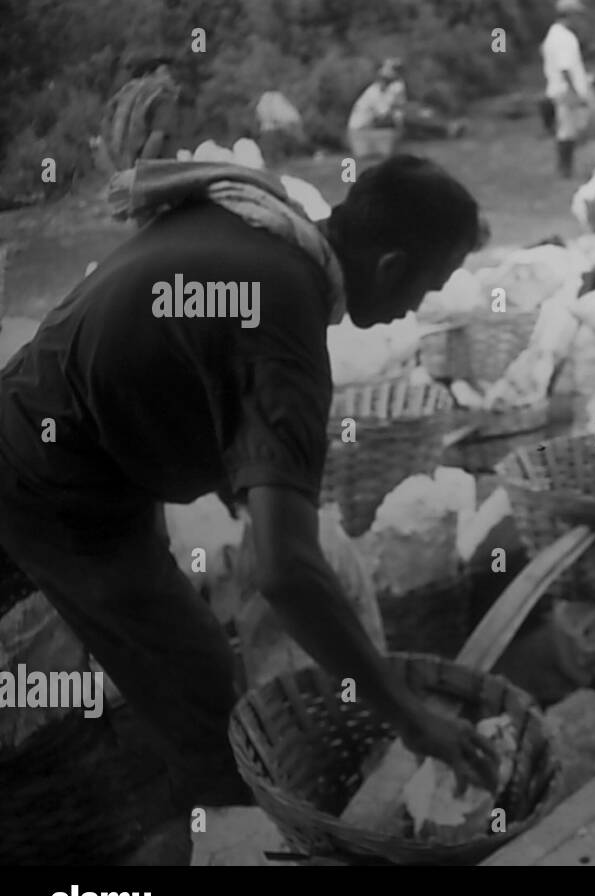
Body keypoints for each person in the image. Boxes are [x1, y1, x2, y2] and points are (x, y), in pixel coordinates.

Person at [0, 155, 497, 857]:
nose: (418, 307)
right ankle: (205, 835)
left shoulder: (252, 219)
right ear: (389, 266)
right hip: (56, 478)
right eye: (427, 285)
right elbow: (285, 571)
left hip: (54, 411)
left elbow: (196, 366)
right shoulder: (286, 331)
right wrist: (409, 714)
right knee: (202, 689)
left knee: (168, 648)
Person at [100, 54, 182, 172]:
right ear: (148, 74)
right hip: (153, 172)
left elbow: (104, 134)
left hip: (120, 169)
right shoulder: (162, 95)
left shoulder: (121, 97)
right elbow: (156, 137)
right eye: (166, 72)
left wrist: (114, 171)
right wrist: (140, 172)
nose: (171, 77)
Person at [542, 0, 592, 179]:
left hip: (559, 88)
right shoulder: (564, 38)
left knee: (567, 129)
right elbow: (565, 68)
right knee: (568, 131)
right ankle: (565, 169)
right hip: (566, 90)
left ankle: (565, 168)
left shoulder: (554, 35)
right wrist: (575, 92)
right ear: (569, 16)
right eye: (578, 16)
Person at [347, 58, 408, 161]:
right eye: (387, 81)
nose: (389, 84)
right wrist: (399, 122)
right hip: (361, 131)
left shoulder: (382, 92)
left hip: (366, 129)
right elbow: (384, 115)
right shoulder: (374, 93)